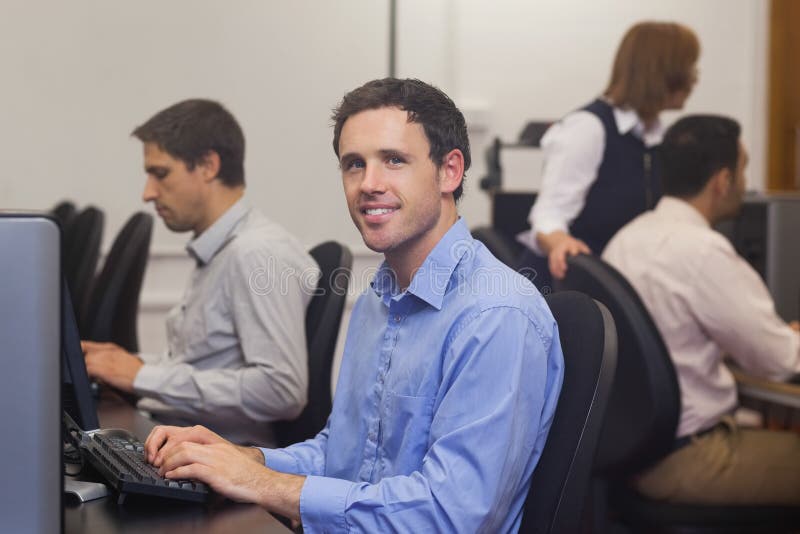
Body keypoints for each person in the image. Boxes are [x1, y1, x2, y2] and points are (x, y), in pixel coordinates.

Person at [142, 78, 565, 532]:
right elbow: (344, 454)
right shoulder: (376, 302)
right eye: (354, 165)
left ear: (450, 171)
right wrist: (246, 459)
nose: (369, 184)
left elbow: (451, 515)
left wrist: (263, 484)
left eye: (394, 160)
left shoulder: (496, 316)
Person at [82, 99, 319, 446]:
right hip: (183, 443)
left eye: (161, 174)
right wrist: (126, 364)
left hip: (219, 461)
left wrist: (142, 376)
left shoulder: (257, 253)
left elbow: (281, 391)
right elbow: (202, 364)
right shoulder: (219, 249)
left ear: (208, 166)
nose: (148, 193)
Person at [603, 115, 800, 505]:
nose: (746, 184)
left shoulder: (628, 237)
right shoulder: (702, 251)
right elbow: (778, 359)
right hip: (689, 458)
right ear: (723, 181)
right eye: (743, 171)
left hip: (629, 454)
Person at [517, 21, 700, 288]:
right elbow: (548, 215)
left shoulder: (658, 139)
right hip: (565, 291)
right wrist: (560, 243)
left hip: (616, 287)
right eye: (689, 67)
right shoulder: (589, 128)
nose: (695, 78)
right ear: (663, 72)